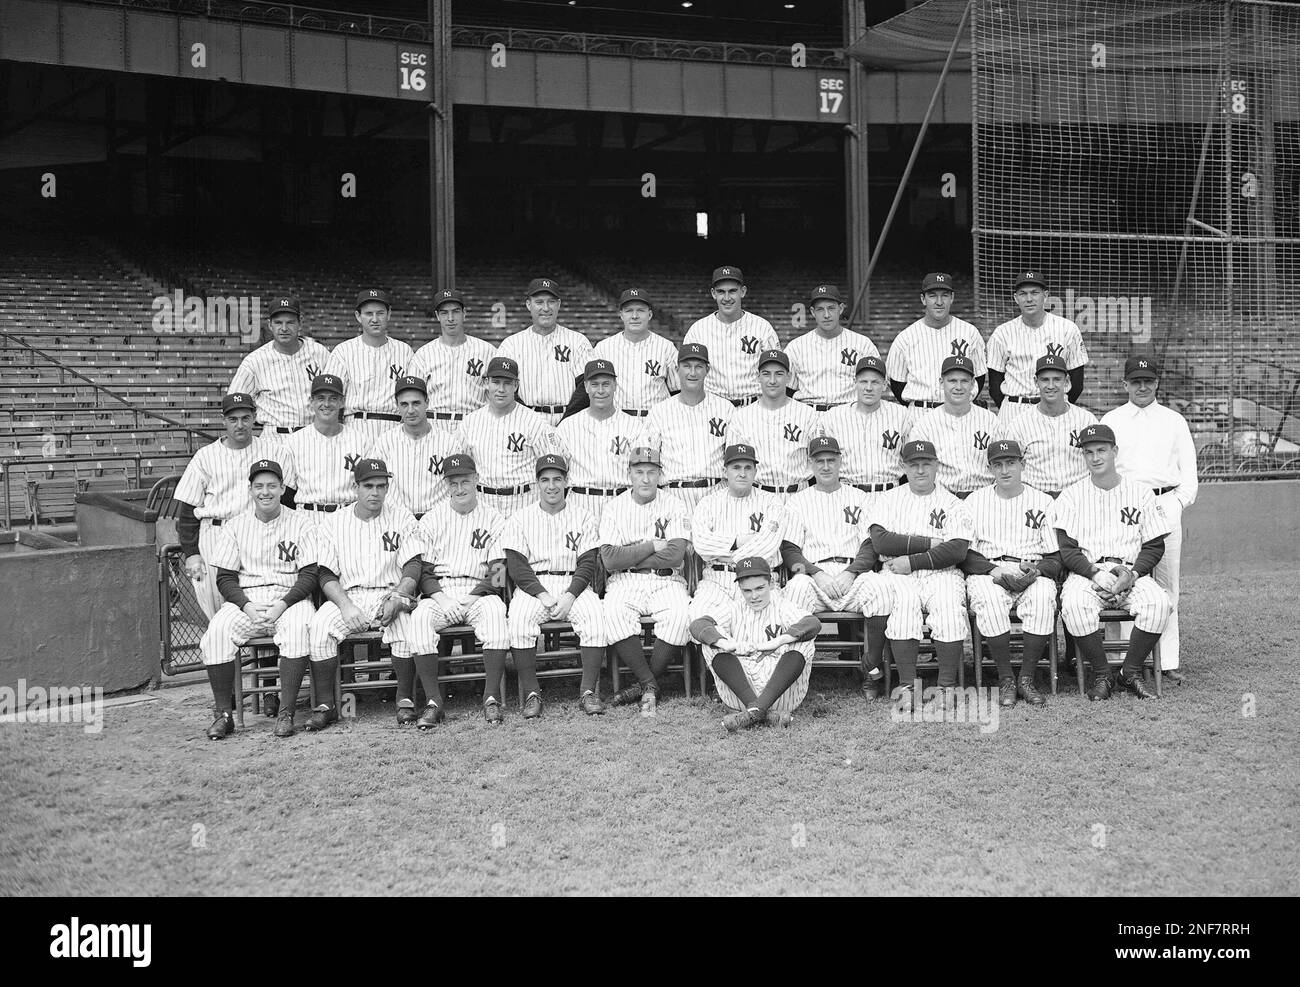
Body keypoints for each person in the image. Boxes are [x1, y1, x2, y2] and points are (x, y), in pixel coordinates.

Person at [307, 458, 436, 730]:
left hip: (389, 591)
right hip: (349, 595)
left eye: (381, 486)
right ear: (355, 487)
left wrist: (398, 597)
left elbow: (413, 565)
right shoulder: (334, 523)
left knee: (405, 624)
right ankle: (327, 704)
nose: (375, 492)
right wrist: (344, 606)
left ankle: (404, 700)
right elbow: (326, 574)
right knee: (319, 627)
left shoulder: (401, 516)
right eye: (368, 486)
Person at [198, 459, 317, 740]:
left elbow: (309, 575)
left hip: (289, 599)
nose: (266, 492)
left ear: (282, 488)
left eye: (272, 486)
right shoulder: (235, 525)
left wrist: (282, 605)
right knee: (217, 632)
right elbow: (225, 578)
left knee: (299, 629)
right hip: (248, 599)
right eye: (259, 486)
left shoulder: (302, 522)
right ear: (250, 490)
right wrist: (247, 606)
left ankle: (286, 713)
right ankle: (223, 714)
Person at [1054, 424, 1172, 701]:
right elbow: (1067, 549)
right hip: (1088, 572)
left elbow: (1154, 545)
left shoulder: (1141, 493)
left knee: (1159, 604)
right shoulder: (1072, 495)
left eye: (1102, 450)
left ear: (1114, 451)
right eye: (1089, 452)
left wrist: (1132, 574)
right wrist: (1094, 574)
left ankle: (1129, 672)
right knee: (1073, 607)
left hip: (1131, 570)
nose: (1096, 458)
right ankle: (1103, 673)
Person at [1100, 356, 1197, 682]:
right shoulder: (1112, 419)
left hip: (1164, 503)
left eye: (1149, 380)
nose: (1142, 386)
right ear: (1125, 384)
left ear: (1157, 383)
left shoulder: (1174, 421)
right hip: (1125, 509)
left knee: (1168, 585)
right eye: (1136, 380)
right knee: (1121, 581)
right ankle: (1118, 656)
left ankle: (1167, 660)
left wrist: (1177, 504)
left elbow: (1190, 475)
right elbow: (1103, 469)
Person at [498, 454, 609, 718]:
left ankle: (588, 691)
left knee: (594, 618)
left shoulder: (583, 516)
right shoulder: (520, 517)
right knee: (519, 621)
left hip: (574, 583)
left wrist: (570, 595)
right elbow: (516, 565)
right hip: (535, 584)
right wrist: (543, 595)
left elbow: (587, 562)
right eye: (545, 479)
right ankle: (532, 693)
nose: (551, 486)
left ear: (566, 481)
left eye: (557, 479)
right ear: (537, 483)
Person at [779, 436, 892, 692]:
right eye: (820, 461)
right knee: (795, 590)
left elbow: (870, 544)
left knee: (882, 590)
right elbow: (791, 550)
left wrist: (851, 572)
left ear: (841, 461)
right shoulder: (798, 501)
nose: (826, 466)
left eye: (832, 460)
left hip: (851, 573)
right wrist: (816, 574)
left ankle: (871, 667)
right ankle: (795, 674)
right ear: (811, 464)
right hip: (815, 575)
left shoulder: (861, 498)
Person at [868, 440, 974, 701]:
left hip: (942, 573)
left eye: (926, 464)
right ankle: (907, 685)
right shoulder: (889, 499)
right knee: (903, 606)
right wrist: (928, 544)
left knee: (949, 607)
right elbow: (881, 540)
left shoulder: (952, 503)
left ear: (937, 466)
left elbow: (957, 550)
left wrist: (911, 560)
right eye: (914, 465)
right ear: (904, 467)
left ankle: (946, 686)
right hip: (896, 573)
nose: (920, 470)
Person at [411, 454, 511, 724]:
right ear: (446, 485)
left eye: (465, 481)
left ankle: (491, 697)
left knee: (496, 615)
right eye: (453, 483)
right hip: (441, 591)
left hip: (479, 591)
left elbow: (499, 573)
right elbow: (424, 572)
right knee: (419, 619)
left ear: (477, 479)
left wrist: (470, 598)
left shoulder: (494, 517)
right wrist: (443, 600)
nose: (460, 488)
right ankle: (434, 701)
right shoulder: (432, 519)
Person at [961, 439, 1060, 708]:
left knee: (1042, 599)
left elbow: (1055, 556)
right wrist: (994, 570)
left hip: (1031, 569)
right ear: (990, 468)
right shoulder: (974, 501)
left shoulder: (1043, 501)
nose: (1005, 470)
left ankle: (1026, 679)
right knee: (990, 603)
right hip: (989, 569)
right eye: (998, 465)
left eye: (1011, 463)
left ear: (1022, 465)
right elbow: (964, 553)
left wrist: (1037, 571)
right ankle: (1006, 678)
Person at [176, 392, 287, 620]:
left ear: (255, 417)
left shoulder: (273, 451)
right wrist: (191, 553)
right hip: (215, 535)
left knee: (262, 608)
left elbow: (286, 499)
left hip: (258, 534)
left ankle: (262, 657)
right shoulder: (205, 456)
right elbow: (187, 510)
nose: (240, 424)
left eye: (245, 418)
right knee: (217, 613)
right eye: (233, 419)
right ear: (223, 419)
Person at [599, 447, 692, 717]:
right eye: (639, 472)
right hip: (625, 581)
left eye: (652, 472)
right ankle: (650, 685)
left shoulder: (673, 504)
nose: (646, 478)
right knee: (614, 613)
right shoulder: (615, 507)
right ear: (629, 474)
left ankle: (643, 685)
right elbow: (610, 560)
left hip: (666, 581)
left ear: (660, 474)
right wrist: (651, 545)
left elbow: (675, 556)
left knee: (680, 615)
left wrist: (630, 555)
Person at [688, 557, 821, 732]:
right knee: (710, 643)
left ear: (771, 583)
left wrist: (779, 641)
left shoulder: (782, 606)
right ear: (740, 589)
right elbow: (698, 625)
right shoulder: (734, 607)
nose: (754, 596)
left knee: (804, 641)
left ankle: (754, 711)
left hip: (779, 689)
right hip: (742, 687)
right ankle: (760, 711)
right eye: (747, 590)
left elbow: (813, 623)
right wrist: (724, 643)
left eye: (760, 588)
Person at [688, 443, 786, 634]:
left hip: (758, 580)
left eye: (748, 468)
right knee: (698, 615)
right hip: (717, 580)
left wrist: (726, 554)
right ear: (725, 471)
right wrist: (738, 541)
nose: (742, 473)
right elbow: (701, 543)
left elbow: (768, 546)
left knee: (767, 624)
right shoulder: (708, 503)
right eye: (736, 467)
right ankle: (718, 663)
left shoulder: (772, 502)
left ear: (755, 471)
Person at [453, 356, 560, 517]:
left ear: (516, 385)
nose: (501, 389)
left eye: (507, 383)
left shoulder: (535, 421)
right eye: (496, 382)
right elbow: (461, 469)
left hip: (524, 503)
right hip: (484, 504)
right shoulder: (470, 423)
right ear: (486, 383)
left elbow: (552, 465)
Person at [987, 271, 1088, 424]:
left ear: (1045, 295)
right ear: (1016, 298)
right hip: (1015, 408)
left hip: (1055, 409)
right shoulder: (1002, 333)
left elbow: (1076, 382)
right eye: (1023, 294)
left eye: (1035, 293)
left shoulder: (1068, 329)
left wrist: (1059, 404)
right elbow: (994, 384)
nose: (1029, 299)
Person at [642, 342, 733, 512]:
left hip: (716, 494)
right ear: (676, 370)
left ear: (708, 370)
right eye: (686, 366)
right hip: (673, 496)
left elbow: (734, 459)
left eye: (698, 366)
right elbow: (649, 459)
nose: (692, 372)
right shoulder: (659, 411)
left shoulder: (726, 408)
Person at [553, 359, 646, 524]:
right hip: (580, 504)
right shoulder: (567, 427)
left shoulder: (634, 426)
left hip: (622, 504)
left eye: (606, 384)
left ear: (615, 385)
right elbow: (556, 473)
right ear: (586, 387)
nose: (601, 390)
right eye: (595, 384)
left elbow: (642, 473)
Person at [886, 273, 987, 420]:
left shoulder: (970, 333)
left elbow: (979, 376)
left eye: (944, 295)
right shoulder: (905, 338)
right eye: (932, 296)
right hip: (920, 413)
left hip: (960, 412)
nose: (939, 302)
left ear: (952, 298)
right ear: (923, 299)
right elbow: (897, 383)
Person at [229, 294, 330, 436]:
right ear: (270, 324)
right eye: (278, 323)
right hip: (275, 437)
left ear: (300, 323)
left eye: (290, 322)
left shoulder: (320, 353)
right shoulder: (254, 361)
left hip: (314, 435)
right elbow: (234, 403)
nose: (284, 328)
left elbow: (335, 393)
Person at [496, 278, 593, 425]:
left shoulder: (578, 341)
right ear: (529, 304)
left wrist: (567, 423)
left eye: (551, 302)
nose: (546, 308)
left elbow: (586, 386)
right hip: (524, 421)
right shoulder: (511, 344)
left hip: (570, 421)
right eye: (539, 302)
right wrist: (528, 420)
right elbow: (504, 386)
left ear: (559, 304)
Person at [324, 288, 415, 444]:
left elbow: (413, 396)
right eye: (368, 314)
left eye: (380, 313)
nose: (374, 319)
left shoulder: (404, 351)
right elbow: (331, 396)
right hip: (356, 426)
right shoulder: (343, 351)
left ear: (389, 314)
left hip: (396, 428)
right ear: (358, 316)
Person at [727, 349, 820, 500]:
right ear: (758, 377)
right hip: (756, 497)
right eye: (766, 374)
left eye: (779, 374)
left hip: (799, 496)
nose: (772, 380)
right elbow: (733, 467)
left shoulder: (808, 415)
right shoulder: (741, 418)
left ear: (789, 377)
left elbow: (819, 461)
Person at [682, 266, 779, 407]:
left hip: (753, 407)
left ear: (743, 291)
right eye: (721, 292)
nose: (727, 298)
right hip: (711, 407)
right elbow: (686, 374)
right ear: (713, 293)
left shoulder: (762, 327)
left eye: (732, 291)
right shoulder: (697, 330)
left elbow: (776, 371)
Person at [366, 375, 459, 520]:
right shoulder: (385, 442)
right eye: (404, 404)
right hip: (395, 520)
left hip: (439, 521)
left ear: (427, 403)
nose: (410, 410)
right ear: (397, 405)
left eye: (416, 403)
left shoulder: (448, 442)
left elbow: (457, 486)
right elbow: (372, 484)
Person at [816, 355, 910, 498]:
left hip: (890, 494)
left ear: (885, 385)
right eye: (863, 382)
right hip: (847, 494)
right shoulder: (833, 417)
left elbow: (911, 459)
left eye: (875, 382)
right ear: (855, 383)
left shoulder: (901, 415)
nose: (868, 388)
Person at [908, 355, 1001, 497]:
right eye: (952, 381)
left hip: (983, 499)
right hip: (942, 499)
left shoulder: (991, 421)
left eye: (964, 381)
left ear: (973, 384)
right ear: (941, 382)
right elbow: (919, 472)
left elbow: (1001, 466)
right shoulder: (925, 425)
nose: (958, 387)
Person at [1005, 354, 1098, 496]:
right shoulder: (1019, 424)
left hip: (1078, 497)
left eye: (1056, 380)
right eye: (1044, 380)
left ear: (1066, 381)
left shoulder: (1086, 420)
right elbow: (1010, 466)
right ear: (1036, 382)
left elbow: (1098, 462)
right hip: (1035, 498)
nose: (1050, 386)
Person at [407, 287, 496, 433]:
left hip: (475, 425)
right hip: (435, 425)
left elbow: (495, 393)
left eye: (455, 311)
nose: (450, 318)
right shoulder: (424, 354)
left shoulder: (487, 351)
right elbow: (413, 397)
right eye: (444, 313)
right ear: (437, 316)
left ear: (464, 313)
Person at [281, 374, 366, 521]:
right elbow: (286, 492)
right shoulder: (294, 442)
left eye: (333, 398)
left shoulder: (361, 440)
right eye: (320, 398)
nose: (326, 404)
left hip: (348, 518)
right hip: (307, 517)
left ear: (342, 402)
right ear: (311, 402)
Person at [786, 283, 880, 411]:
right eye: (820, 309)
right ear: (813, 312)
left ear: (840, 309)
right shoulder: (796, 347)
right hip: (809, 414)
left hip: (849, 415)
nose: (826, 315)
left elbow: (876, 384)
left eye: (831, 308)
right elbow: (786, 389)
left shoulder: (863, 344)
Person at [592, 288, 678, 417]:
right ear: (621, 315)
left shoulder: (666, 347)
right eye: (629, 311)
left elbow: (678, 390)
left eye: (640, 310)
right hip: (617, 421)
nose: (635, 316)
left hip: (656, 420)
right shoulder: (603, 348)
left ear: (649, 315)